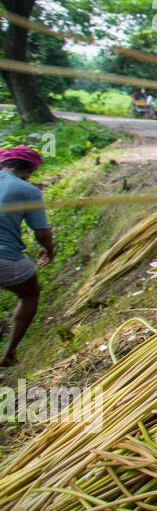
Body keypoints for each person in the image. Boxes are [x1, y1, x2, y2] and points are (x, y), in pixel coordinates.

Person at [0, 147, 53, 368]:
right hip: (4, 256)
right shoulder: (27, 190)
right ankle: (8, 353)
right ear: (29, 170)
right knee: (30, 294)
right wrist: (49, 251)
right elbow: (41, 232)